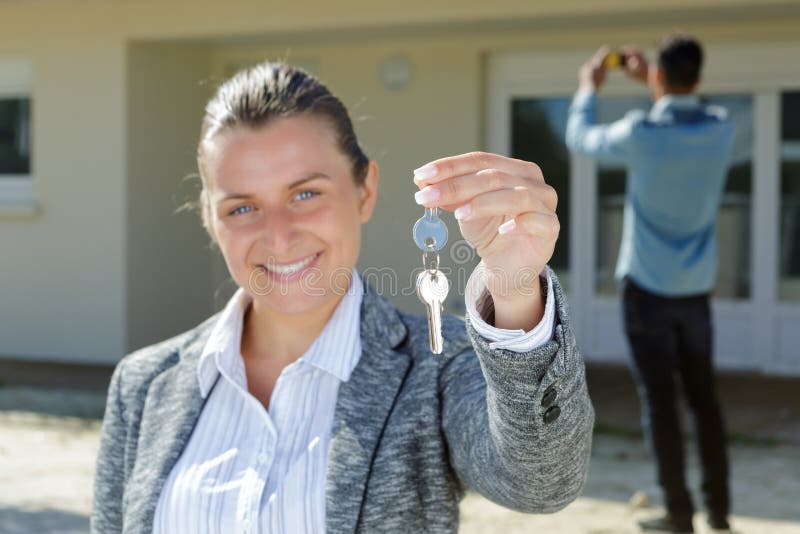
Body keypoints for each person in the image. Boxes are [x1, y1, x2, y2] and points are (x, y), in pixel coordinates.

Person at [91, 62, 594, 533]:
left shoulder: (437, 367)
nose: (280, 236)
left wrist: (514, 286)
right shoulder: (142, 386)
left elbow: (542, 482)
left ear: (365, 190)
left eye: (305, 194)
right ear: (208, 217)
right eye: (242, 208)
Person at [565, 34, 734, 533]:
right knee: (705, 402)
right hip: (696, 292)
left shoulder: (641, 132)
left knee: (661, 404)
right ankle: (720, 513)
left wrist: (587, 88)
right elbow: (685, 111)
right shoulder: (721, 130)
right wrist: (657, 84)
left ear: (658, 75)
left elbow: (580, 138)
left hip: (645, 290)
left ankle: (680, 514)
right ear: (698, 80)